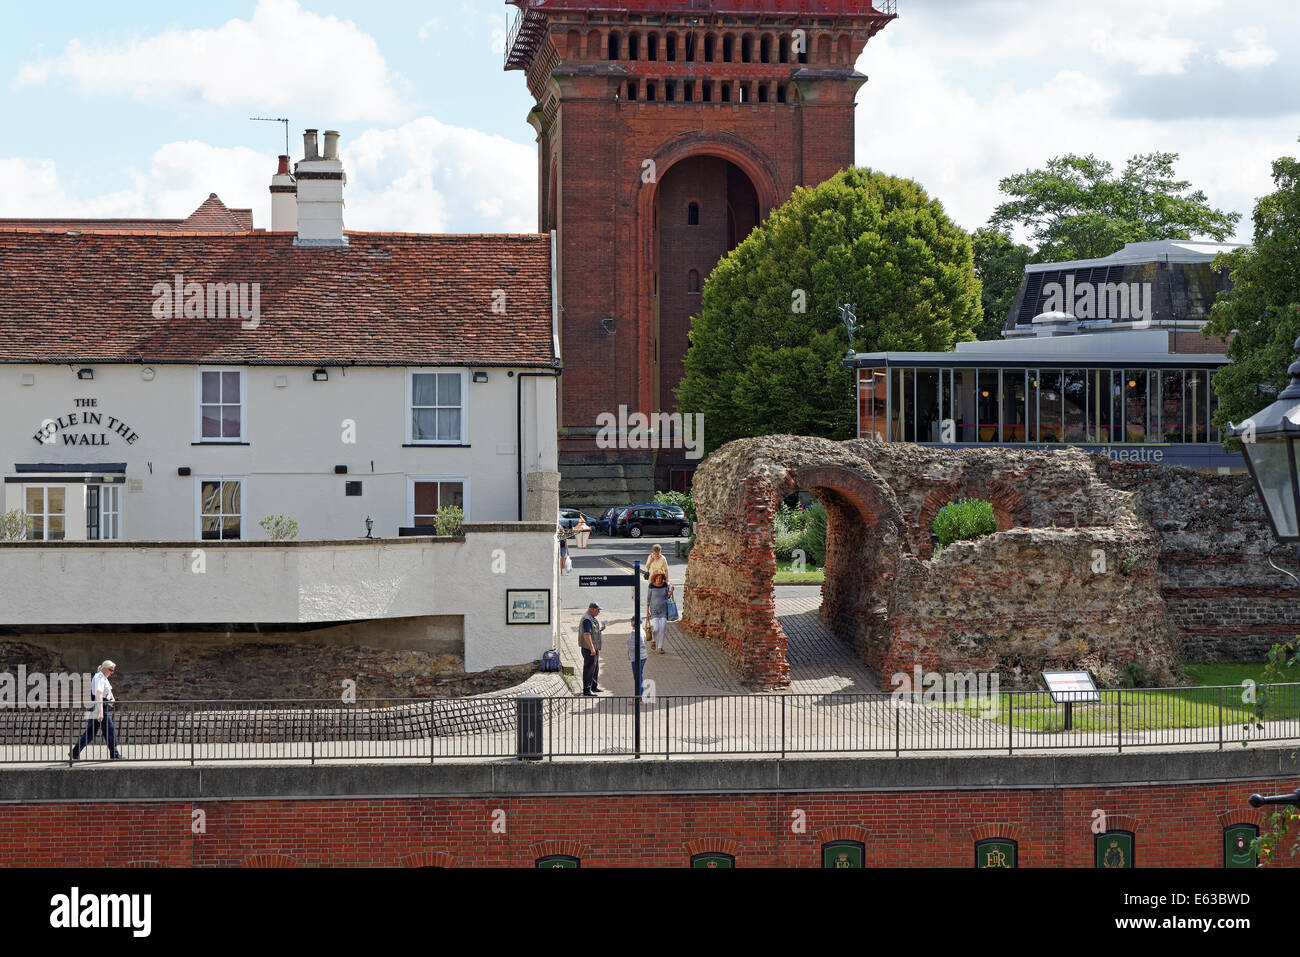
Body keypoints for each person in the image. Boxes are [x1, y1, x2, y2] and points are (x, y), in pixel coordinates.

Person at [71, 660, 122, 761]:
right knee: (109, 730)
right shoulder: (99, 677)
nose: (112, 672)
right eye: (110, 670)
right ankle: (114, 754)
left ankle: (75, 752)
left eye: (113, 671)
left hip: (99, 705)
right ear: (104, 668)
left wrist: (112, 699)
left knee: (91, 732)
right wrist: (100, 711)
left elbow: (108, 691)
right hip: (98, 705)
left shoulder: (103, 678)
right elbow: (98, 694)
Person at [579, 602, 604, 696]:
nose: (599, 612)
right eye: (598, 610)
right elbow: (587, 635)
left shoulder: (592, 618)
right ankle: (587, 690)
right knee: (589, 668)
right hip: (589, 649)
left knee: (595, 667)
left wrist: (600, 629)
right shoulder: (587, 619)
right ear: (592, 609)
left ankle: (593, 686)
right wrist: (592, 648)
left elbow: (592, 631)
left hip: (594, 649)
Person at [646, 571, 670, 654]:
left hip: (664, 610)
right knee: (656, 628)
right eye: (657, 578)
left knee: (662, 628)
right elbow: (648, 600)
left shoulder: (665, 585)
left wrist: (671, 592)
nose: (659, 580)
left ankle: (660, 647)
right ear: (655, 578)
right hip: (654, 610)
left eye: (660, 578)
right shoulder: (651, 586)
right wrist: (647, 612)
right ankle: (653, 640)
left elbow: (667, 597)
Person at [627, 622, 648, 705]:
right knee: (639, 677)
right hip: (643, 656)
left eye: (631, 621)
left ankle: (638, 699)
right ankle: (639, 697)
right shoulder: (642, 630)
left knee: (637, 678)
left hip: (637, 657)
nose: (630, 622)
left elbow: (631, 646)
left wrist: (627, 643)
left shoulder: (634, 632)